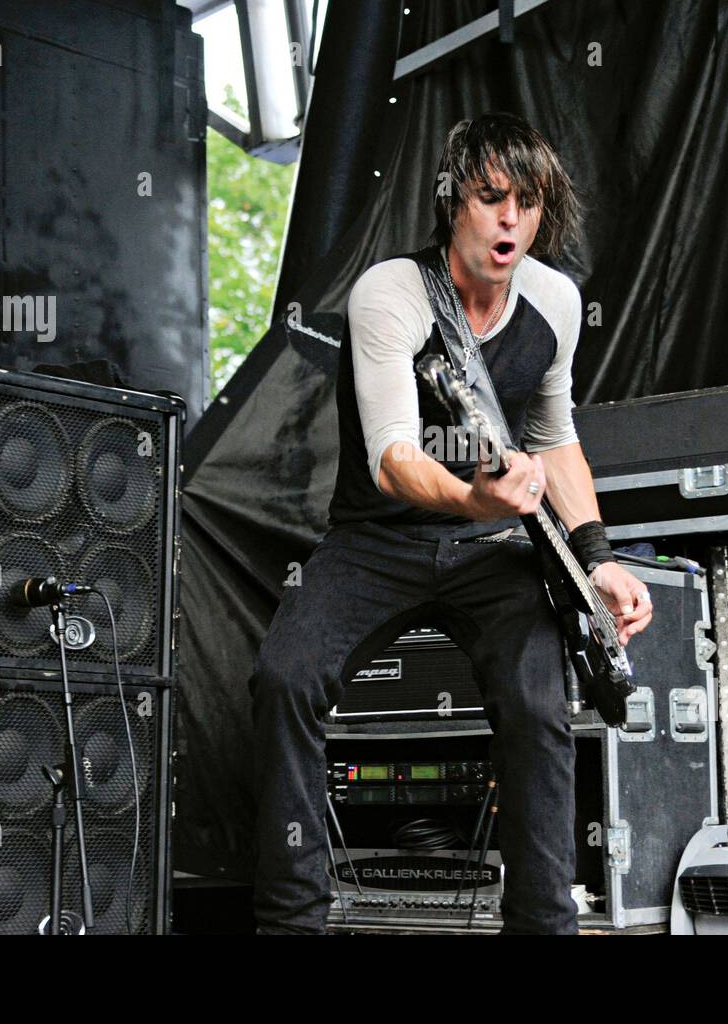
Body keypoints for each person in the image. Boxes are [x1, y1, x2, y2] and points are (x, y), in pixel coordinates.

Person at [249, 113, 652, 934]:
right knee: (283, 679)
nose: (510, 219)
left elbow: (556, 440)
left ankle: (543, 924)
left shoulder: (554, 304)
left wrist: (599, 558)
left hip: (491, 550)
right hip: (376, 540)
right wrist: (477, 496)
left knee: (538, 706)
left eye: (528, 203)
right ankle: (291, 920)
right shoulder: (390, 294)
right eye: (491, 197)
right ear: (453, 204)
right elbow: (395, 454)